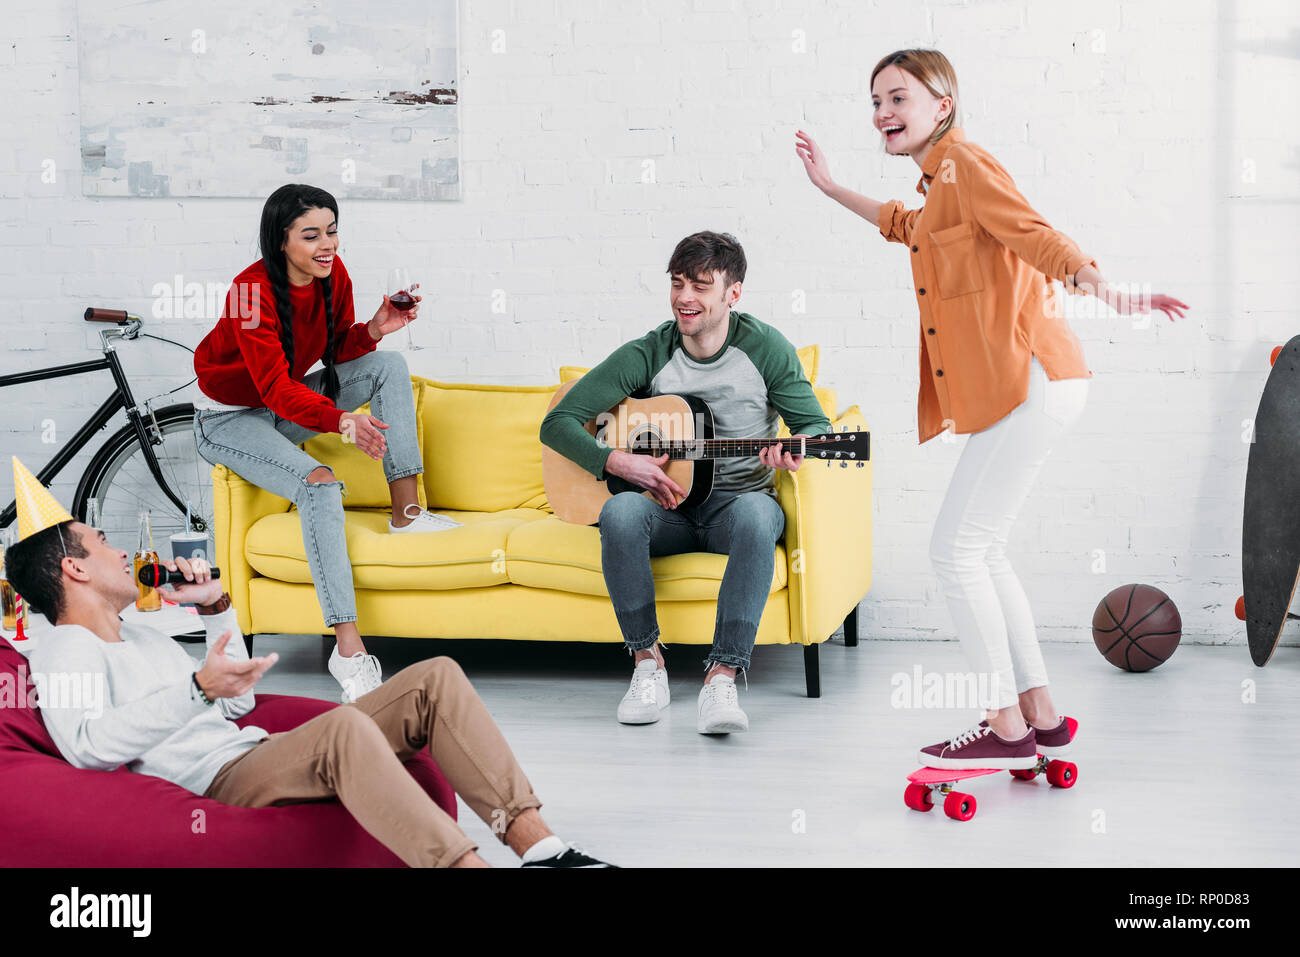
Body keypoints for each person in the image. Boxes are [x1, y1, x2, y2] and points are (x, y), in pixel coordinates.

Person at [797, 49, 1188, 768]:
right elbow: (904, 226)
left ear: (941, 104)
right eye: (875, 101)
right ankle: (1039, 713)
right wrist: (829, 188)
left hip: (1032, 376)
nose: (883, 113)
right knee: (984, 548)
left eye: (898, 98)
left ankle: (1002, 724)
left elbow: (1035, 234)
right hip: (1040, 383)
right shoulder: (938, 185)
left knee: (953, 550)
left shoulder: (966, 166)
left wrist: (1110, 291)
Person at [6, 487, 613, 867]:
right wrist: (195, 690)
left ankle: (541, 848)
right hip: (219, 782)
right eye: (103, 541)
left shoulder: (142, 633)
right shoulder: (66, 649)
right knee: (344, 729)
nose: (120, 553)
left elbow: (234, 709)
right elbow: (86, 748)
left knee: (435, 679)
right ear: (73, 569)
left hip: (256, 752)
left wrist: (215, 607)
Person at [539, 231, 830, 734]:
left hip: (735, 507)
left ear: (733, 293)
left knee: (761, 515)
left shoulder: (766, 349)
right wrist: (616, 462)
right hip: (665, 510)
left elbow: (819, 431)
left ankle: (722, 677)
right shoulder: (651, 351)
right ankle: (647, 664)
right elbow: (557, 423)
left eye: (700, 285)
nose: (685, 298)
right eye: (677, 284)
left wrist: (797, 447)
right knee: (619, 511)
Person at [193, 183, 461, 703]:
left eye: (332, 231)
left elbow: (333, 349)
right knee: (318, 483)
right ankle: (349, 648)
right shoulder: (251, 294)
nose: (327, 245)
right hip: (229, 420)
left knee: (387, 365)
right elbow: (272, 386)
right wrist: (340, 421)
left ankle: (406, 515)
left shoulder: (332, 275)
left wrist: (374, 330)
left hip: (281, 405)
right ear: (281, 241)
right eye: (311, 235)